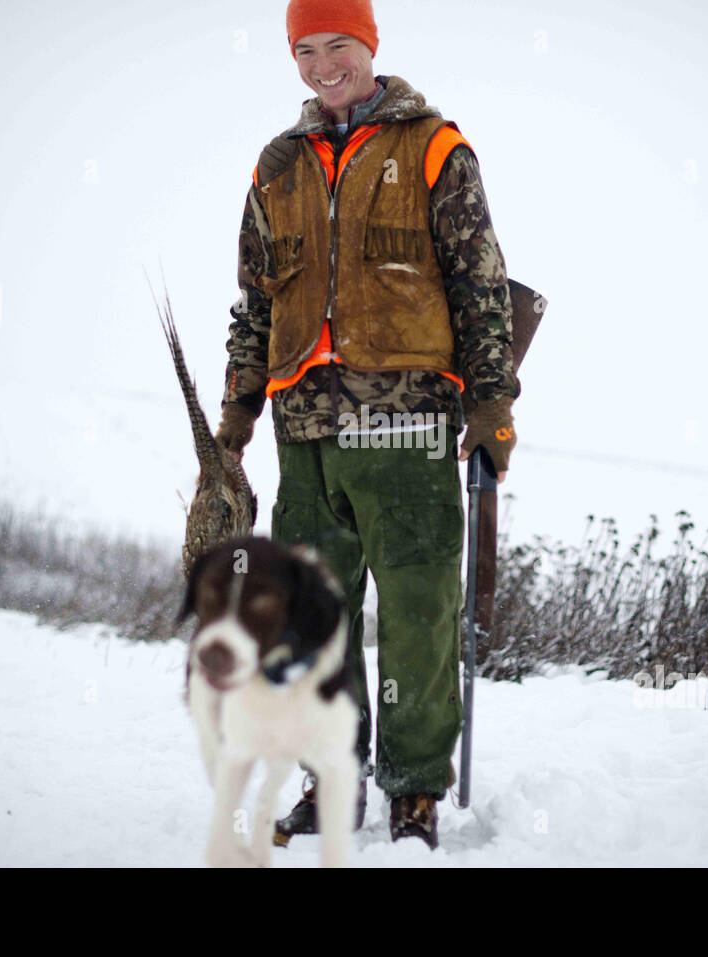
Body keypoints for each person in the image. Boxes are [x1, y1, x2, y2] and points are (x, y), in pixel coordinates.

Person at [214, 0, 518, 850]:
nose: (320, 66)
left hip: (409, 425)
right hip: (303, 429)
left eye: (336, 45)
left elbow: (480, 288)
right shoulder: (276, 165)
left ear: (369, 44)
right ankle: (331, 780)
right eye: (303, 50)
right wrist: (235, 417)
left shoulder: (432, 148)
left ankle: (415, 790)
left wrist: (492, 405)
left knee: (420, 609)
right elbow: (254, 300)